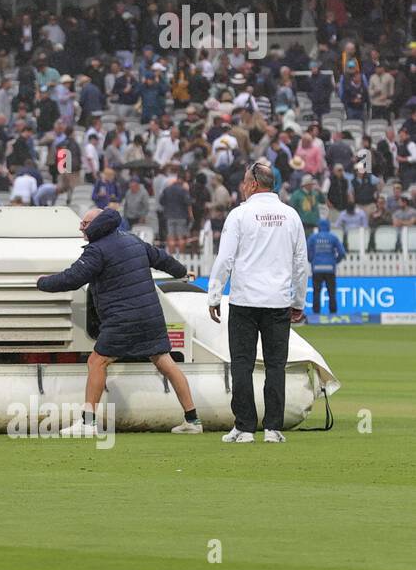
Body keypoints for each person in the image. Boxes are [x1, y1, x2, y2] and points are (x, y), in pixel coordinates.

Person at [36, 207, 202, 436]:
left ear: (97, 225)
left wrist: (42, 282)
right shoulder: (132, 240)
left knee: (97, 362)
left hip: (122, 318)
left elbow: (72, 279)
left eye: (84, 224)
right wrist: (183, 272)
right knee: (165, 361)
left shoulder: (96, 251)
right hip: (150, 315)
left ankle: (87, 423)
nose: (80, 227)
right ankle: (192, 420)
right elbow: (162, 259)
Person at [206, 160, 309, 443]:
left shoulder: (240, 215)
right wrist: (298, 300)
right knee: (276, 365)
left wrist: (214, 294)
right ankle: (273, 428)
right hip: (277, 302)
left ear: (252, 183)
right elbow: (301, 263)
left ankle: (244, 427)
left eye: (243, 181)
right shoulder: (291, 216)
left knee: (242, 363)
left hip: (245, 300)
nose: (241, 186)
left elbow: (225, 258)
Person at [305, 218, 345, 315]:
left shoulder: (313, 237)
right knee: (331, 292)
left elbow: (306, 251)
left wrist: (312, 260)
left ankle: (316, 314)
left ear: (318, 227)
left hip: (317, 268)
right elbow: (342, 252)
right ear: (328, 227)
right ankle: (333, 312)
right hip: (330, 269)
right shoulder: (333, 237)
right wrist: (335, 261)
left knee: (316, 292)